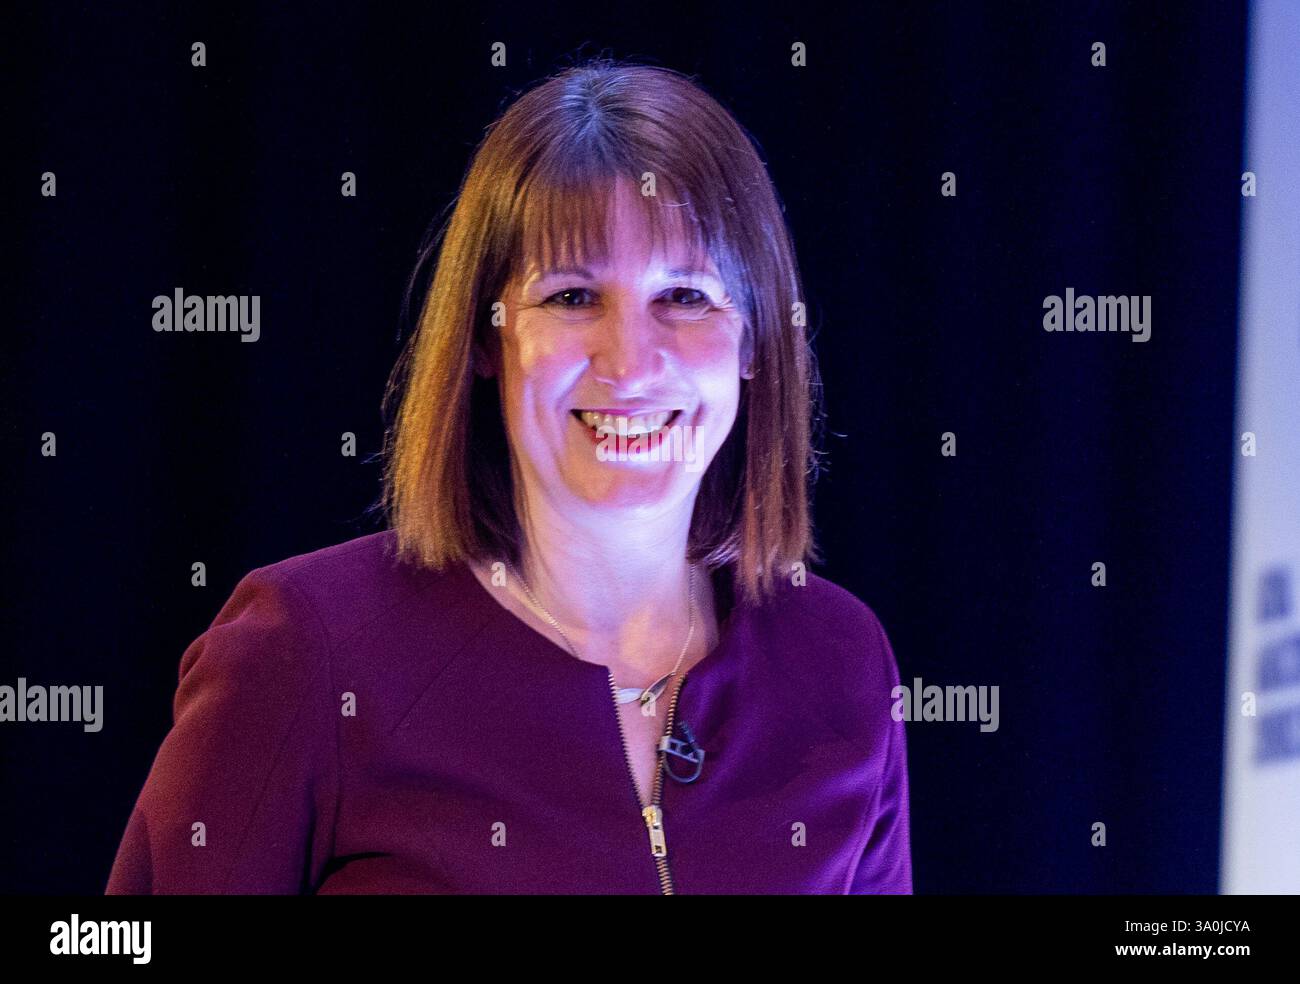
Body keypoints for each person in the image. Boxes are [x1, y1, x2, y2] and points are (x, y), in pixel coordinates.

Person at [105, 58, 912, 894]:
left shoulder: (841, 661)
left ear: (753, 344)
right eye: (571, 298)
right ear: (487, 341)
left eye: (685, 295)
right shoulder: (306, 650)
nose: (630, 364)